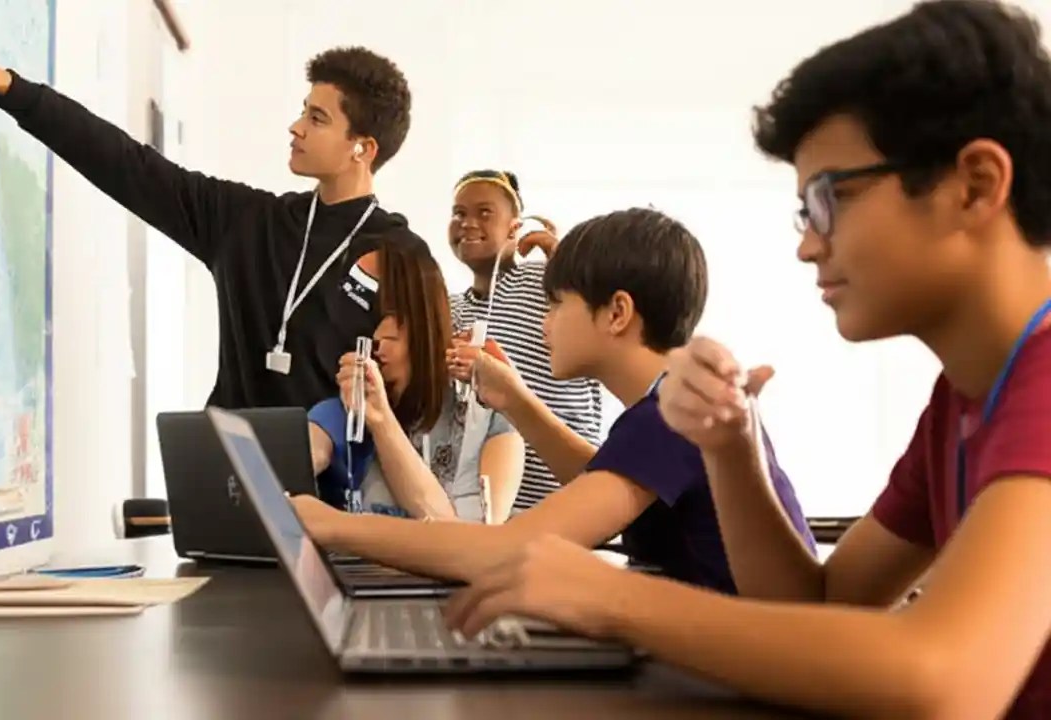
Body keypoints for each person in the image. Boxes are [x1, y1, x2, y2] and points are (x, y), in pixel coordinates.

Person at [442, 2, 1051, 718]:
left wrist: (612, 598)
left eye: (831, 200)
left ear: (975, 185)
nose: (808, 245)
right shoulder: (960, 401)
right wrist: (731, 451)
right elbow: (821, 602)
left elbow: (941, 679)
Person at [0, 13, 425, 410]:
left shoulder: (402, 255)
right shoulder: (247, 222)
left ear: (363, 147)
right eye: (302, 111)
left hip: (334, 510)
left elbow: (414, 399)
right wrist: (9, 87)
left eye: (317, 118)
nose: (295, 127)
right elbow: (127, 165)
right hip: (226, 486)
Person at [293, 209, 814, 594]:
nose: (543, 323)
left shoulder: (671, 419)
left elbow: (509, 549)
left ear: (617, 313)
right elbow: (606, 477)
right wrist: (516, 400)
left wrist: (333, 525)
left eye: (555, 304)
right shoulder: (661, 410)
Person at [306, 234, 524, 523]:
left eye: (389, 312)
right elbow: (295, 460)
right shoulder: (344, 414)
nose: (378, 335)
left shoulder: (487, 414)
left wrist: (383, 423)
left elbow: (468, 537)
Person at [447, 170, 602, 512]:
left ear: (515, 228)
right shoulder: (452, 307)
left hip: (565, 498)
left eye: (484, 213)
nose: (467, 223)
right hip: (491, 507)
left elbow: (603, 309)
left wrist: (562, 257)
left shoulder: (542, 277)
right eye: (459, 213)